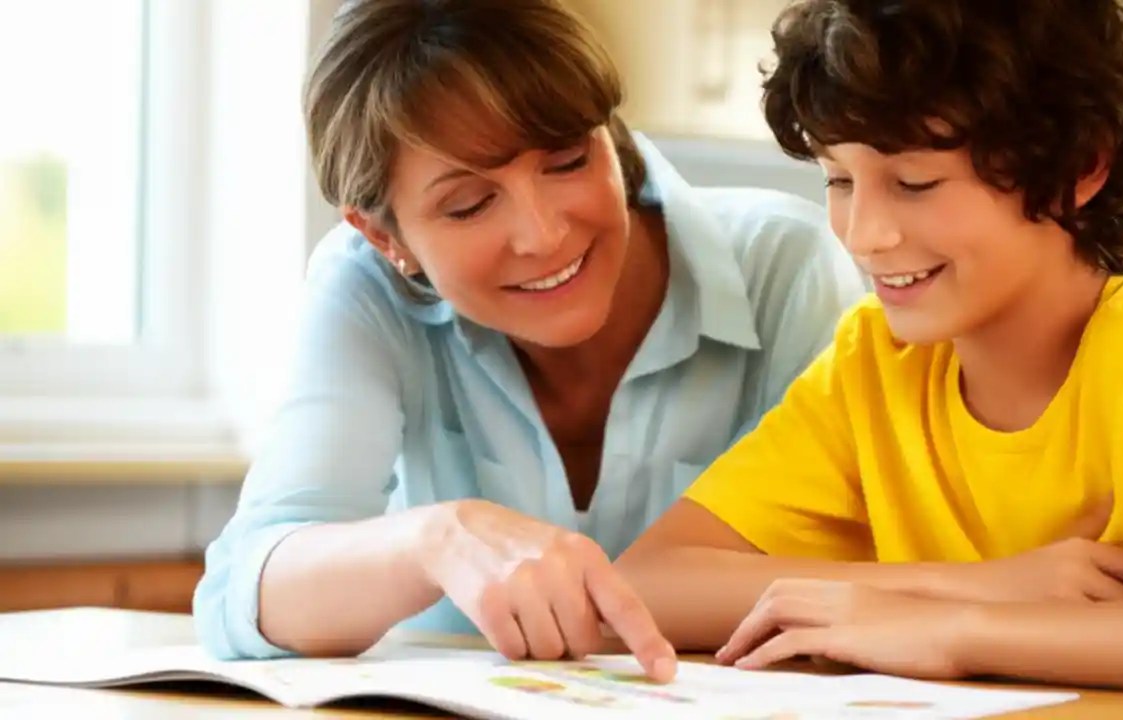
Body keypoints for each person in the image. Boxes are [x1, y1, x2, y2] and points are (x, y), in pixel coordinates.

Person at [618, 0, 1123, 699]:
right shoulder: (873, 364)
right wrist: (970, 589)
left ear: (1080, 167)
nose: (863, 234)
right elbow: (645, 584)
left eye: (915, 184)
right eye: (839, 179)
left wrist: (962, 630)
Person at [192, 0, 863, 682]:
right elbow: (241, 592)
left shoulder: (786, 266)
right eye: (470, 205)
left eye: (568, 161)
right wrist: (437, 538)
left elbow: (852, 580)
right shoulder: (363, 290)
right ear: (385, 237)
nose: (542, 235)